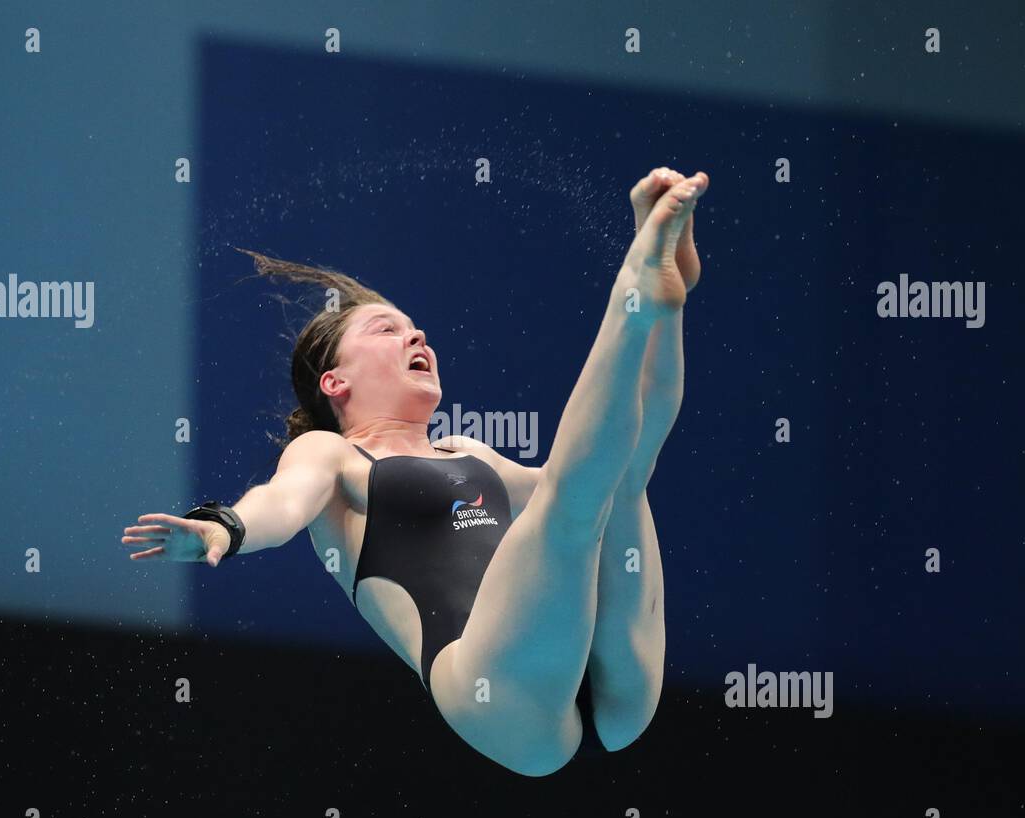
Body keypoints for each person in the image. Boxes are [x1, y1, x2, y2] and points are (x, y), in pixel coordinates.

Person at [123, 167, 708, 776]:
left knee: (619, 481)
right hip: (494, 693)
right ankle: (635, 292)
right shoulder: (333, 454)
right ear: (336, 382)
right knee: (573, 500)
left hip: (609, 682)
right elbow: (280, 502)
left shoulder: (467, 453)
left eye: (414, 328)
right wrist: (225, 528)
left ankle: (663, 303)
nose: (415, 333)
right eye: (387, 329)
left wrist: (664, 327)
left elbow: (607, 462)